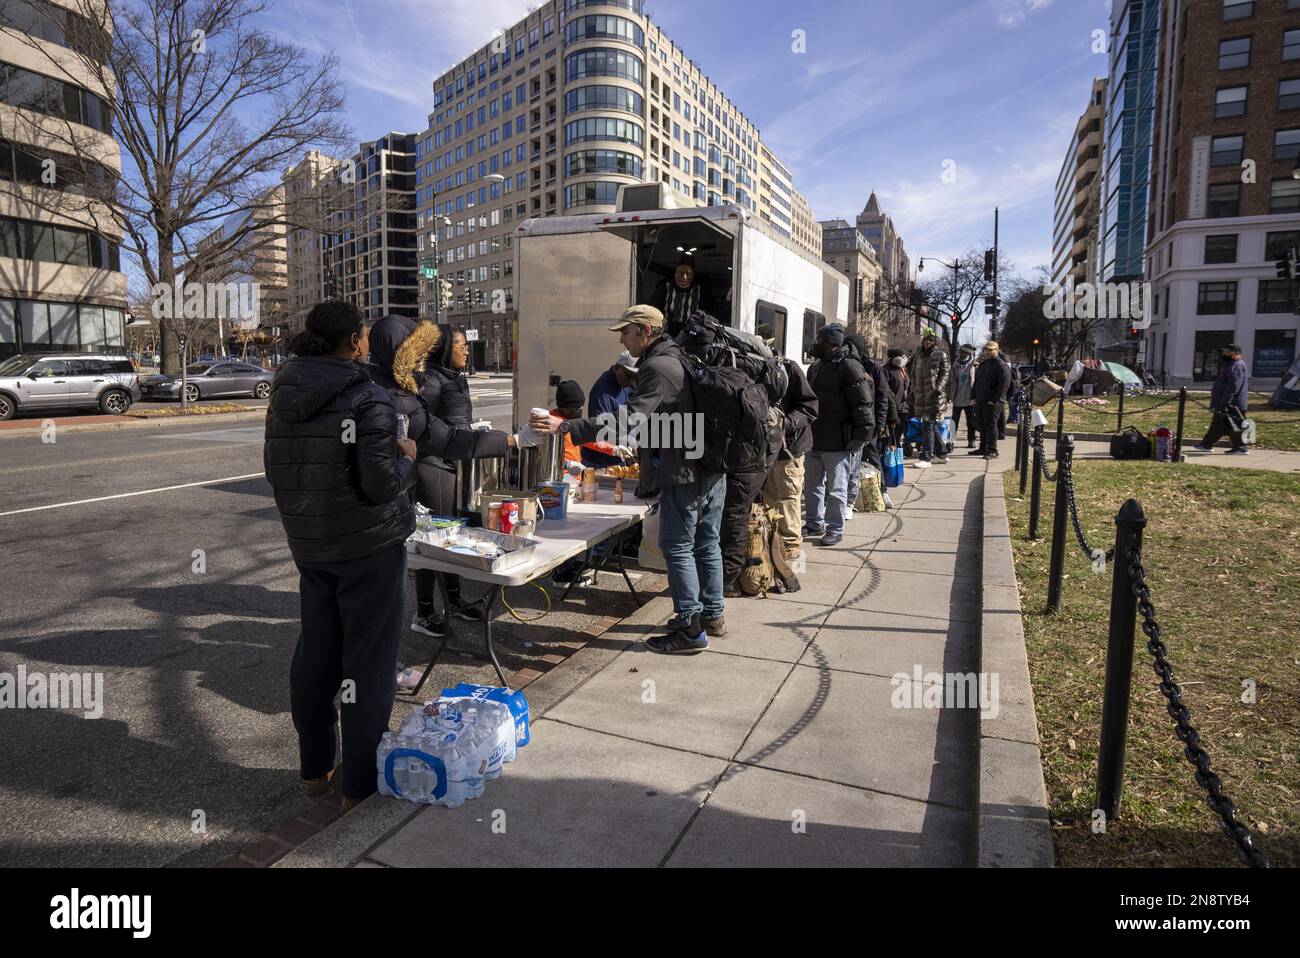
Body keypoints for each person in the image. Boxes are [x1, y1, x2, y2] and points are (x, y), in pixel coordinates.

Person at [264, 301, 418, 810]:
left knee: (316, 655)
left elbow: (278, 470)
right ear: (354, 341)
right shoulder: (367, 397)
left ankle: (315, 770)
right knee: (368, 667)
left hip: (310, 545)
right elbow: (378, 486)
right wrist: (407, 462)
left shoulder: (285, 391)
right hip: (368, 547)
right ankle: (360, 783)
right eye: (363, 336)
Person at [531, 305, 725, 653]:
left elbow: (627, 421)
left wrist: (567, 426)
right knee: (706, 543)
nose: (621, 338)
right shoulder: (679, 358)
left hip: (685, 470)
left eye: (626, 332)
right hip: (710, 464)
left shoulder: (658, 366)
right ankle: (712, 615)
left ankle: (690, 630)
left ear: (646, 331)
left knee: (677, 546)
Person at [411, 325, 519, 636]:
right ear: (446, 348)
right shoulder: (431, 380)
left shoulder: (453, 376)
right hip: (433, 465)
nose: (467, 349)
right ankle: (424, 612)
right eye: (461, 345)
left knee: (453, 532)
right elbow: (423, 426)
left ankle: (453, 602)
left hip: (453, 462)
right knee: (433, 536)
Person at [803, 324, 874, 547]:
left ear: (829, 342)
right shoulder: (815, 367)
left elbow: (863, 405)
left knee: (836, 488)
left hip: (838, 441)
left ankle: (835, 528)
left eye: (819, 339)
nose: (815, 343)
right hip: (815, 437)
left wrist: (861, 436)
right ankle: (814, 522)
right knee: (812, 486)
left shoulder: (850, 366)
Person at [763, 353, 818, 559]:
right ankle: (773, 540)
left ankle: (790, 546)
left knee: (787, 496)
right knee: (770, 496)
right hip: (769, 448)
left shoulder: (789, 368)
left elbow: (810, 408)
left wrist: (785, 424)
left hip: (790, 447)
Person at [844, 332, 892, 515]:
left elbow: (883, 396)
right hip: (850, 423)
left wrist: (880, 423)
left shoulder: (873, 366)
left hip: (868, 421)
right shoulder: (844, 364)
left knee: (872, 457)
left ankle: (883, 490)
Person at [583, 351, 638, 468]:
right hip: (600, 461)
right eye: (628, 376)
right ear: (617, 367)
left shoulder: (624, 382)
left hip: (618, 455)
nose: (631, 381)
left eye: (634, 377)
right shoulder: (603, 394)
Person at [1194, 344, 1251, 455]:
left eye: (1228, 352)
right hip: (1227, 402)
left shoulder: (1236, 365)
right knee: (1220, 425)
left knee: (1230, 425)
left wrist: (1225, 402)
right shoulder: (1231, 365)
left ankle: (1240, 447)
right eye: (1224, 352)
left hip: (1232, 403)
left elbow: (1233, 386)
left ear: (1236, 353)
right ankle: (1207, 445)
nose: (1224, 354)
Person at [907, 329, 950, 466]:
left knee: (928, 426)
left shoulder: (940, 355)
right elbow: (911, 371)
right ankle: (942, 454)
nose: (928, 342)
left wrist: (938, 389)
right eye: (926, 340)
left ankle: (926, 457)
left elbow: (945, 373)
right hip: (921, 396)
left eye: (931, 340)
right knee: (931, 426)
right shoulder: (918, 356)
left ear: (935, 342)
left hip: (933, 398)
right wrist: (913, 388)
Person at [970, 341, 1010, 459]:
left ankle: (993, 450)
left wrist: (994, 400)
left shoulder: (1001, 366)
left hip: (994, 402)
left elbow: (1003, 386)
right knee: (981, 425)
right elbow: (977, 382)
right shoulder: (983, 364)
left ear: (996, 350)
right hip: (981, 400)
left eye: (990, 350)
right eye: (986, 350)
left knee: (991, 425)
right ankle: (983, 447)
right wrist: (974, 396)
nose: (987, 352)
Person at [654, 254, 705, 338]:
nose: (684, 277)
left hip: (689, 334)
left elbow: (704, 315)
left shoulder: (700, 291)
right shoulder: (664, 287)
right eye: (681, 273)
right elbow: (655, 309)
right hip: (666, 332)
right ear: (675, 273)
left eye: (688, 274)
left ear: (693, 275)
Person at [949, 344, 978, 449]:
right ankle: (950, 442)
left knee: (971, 422)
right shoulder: (955, 365)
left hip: (970, 399)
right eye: (961, 351)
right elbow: (950, 382)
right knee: (953, 422)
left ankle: (971, 440)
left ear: (969, 353)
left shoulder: (975, 365)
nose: (961, 354)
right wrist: (950, 395)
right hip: (957, 398)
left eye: (964, 352)